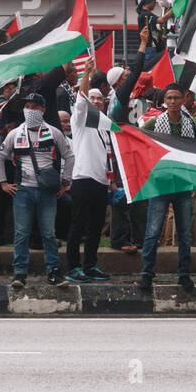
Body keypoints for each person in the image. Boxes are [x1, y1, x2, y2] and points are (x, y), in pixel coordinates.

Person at [0, 92, 74, 289]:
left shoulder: (53, 132)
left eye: (34, 107)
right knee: (21, 233)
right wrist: (3, 183)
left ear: (43, 110)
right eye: (27, 106)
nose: (30, 110)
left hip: (47, 192)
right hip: (23, 191)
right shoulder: (16, 133)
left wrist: (65, 182)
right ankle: (19, 273)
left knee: (49, 233)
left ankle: (53, 272)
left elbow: (69, 156)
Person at [137, 82, 196, 292]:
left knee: (184, 234)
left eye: (176, 98)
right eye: (169, 98)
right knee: (153, 232)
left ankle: (184, 275)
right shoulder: (154, 123)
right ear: (164, 101)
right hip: (160, 185)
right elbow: (137, 138)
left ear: (182, 100)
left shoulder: (189, 125)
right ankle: (146, 274)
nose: (172, 101)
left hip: (183, 185)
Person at [66, 65, 115, 283]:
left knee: (95, 227)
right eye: (92, 98)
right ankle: (73, 267)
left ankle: (90, 265)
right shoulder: (80, 120)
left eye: (100, 99)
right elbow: (82, 99)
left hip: (101, 182)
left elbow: (107, 156)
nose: (96, 101)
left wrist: (111, 181)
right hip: (83, 179)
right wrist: (86, 74)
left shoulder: (104, 126)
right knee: (78, 225)